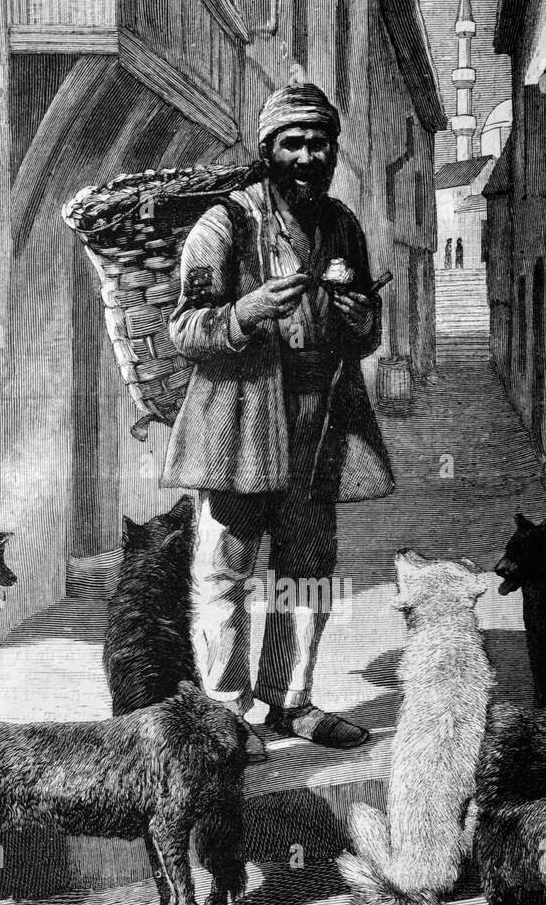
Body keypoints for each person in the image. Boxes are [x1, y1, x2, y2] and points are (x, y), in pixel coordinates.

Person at [162, 83, 393, 748]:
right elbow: (185, 329)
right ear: (268, 151)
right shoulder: (224, 225)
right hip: (240, 421)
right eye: (292, 142)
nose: (307, 154)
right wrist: (245, 311)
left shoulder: (341, 223)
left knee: (307, 569)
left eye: (318, 142)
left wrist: (360, 323)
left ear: (332, 149)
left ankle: (290, 700)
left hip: (319, 425)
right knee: (226, 569)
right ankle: (224, 714)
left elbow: (364, 331)